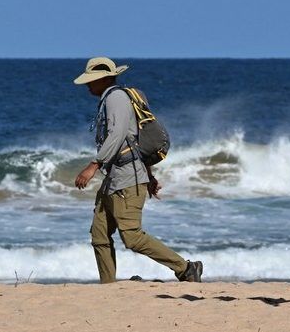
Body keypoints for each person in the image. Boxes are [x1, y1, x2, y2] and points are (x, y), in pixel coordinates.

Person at [73, 56, 203, 284]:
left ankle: (185, 268)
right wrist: (150, 176)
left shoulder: (116, 98)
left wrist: (93, 165)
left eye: (91, 80)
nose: (87, 85)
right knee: (99, 235)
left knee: (132, 237)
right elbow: (134, 143)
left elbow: (118, 135)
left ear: (104, 79)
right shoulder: (109, 100)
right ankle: (108, 286)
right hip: (115, 179)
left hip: (126, 179)